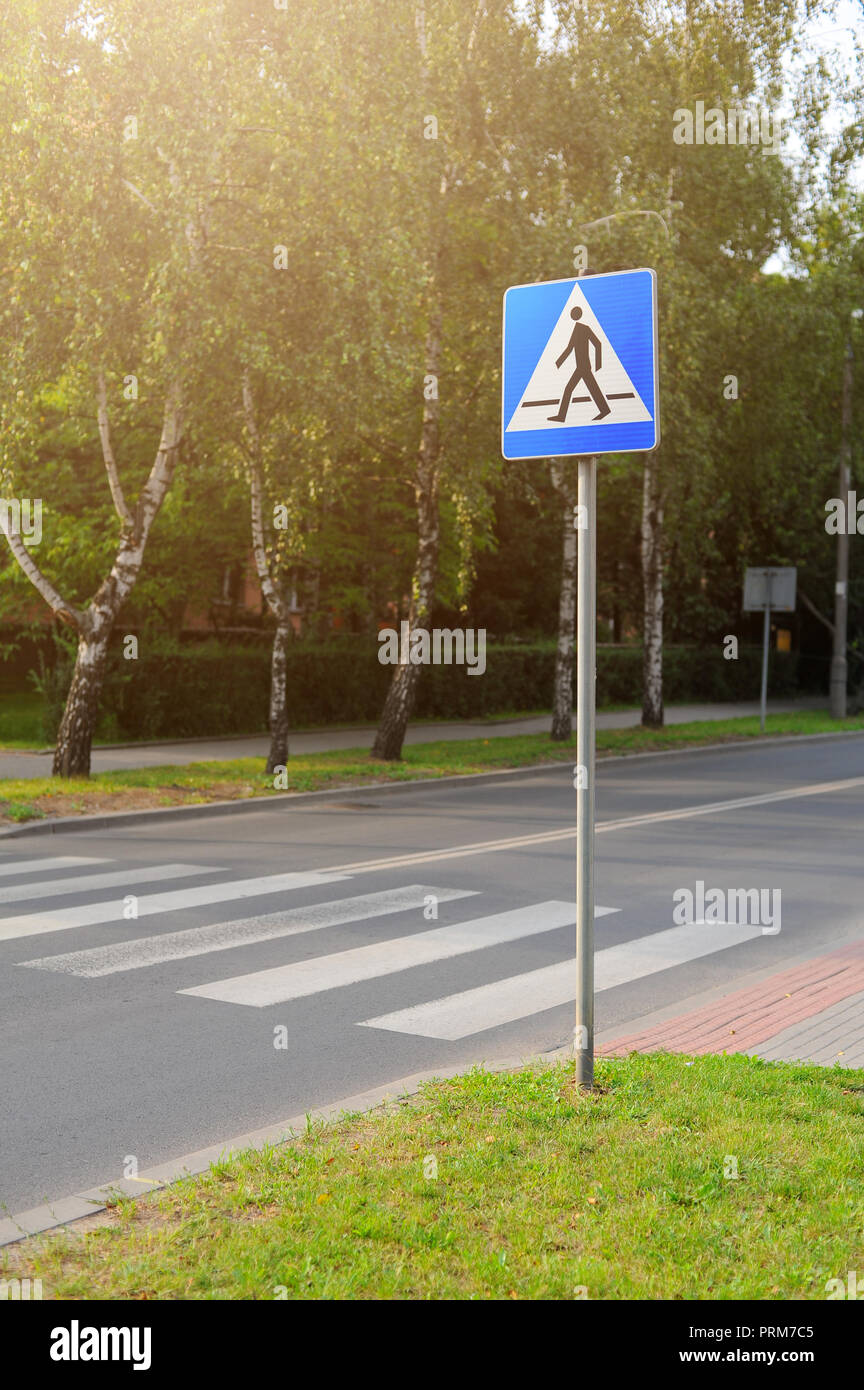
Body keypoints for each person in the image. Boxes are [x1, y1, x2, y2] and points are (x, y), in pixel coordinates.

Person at [549, 306, 611, 422]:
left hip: (584, 366)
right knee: (592, 388)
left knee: (570, 389)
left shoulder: (583, 328)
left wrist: (599, 364)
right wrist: (558, 362)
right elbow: (570, 348)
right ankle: (604, 409)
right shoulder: (577, 329)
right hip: (581, 366)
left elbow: (598, 344)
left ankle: (562, 416)